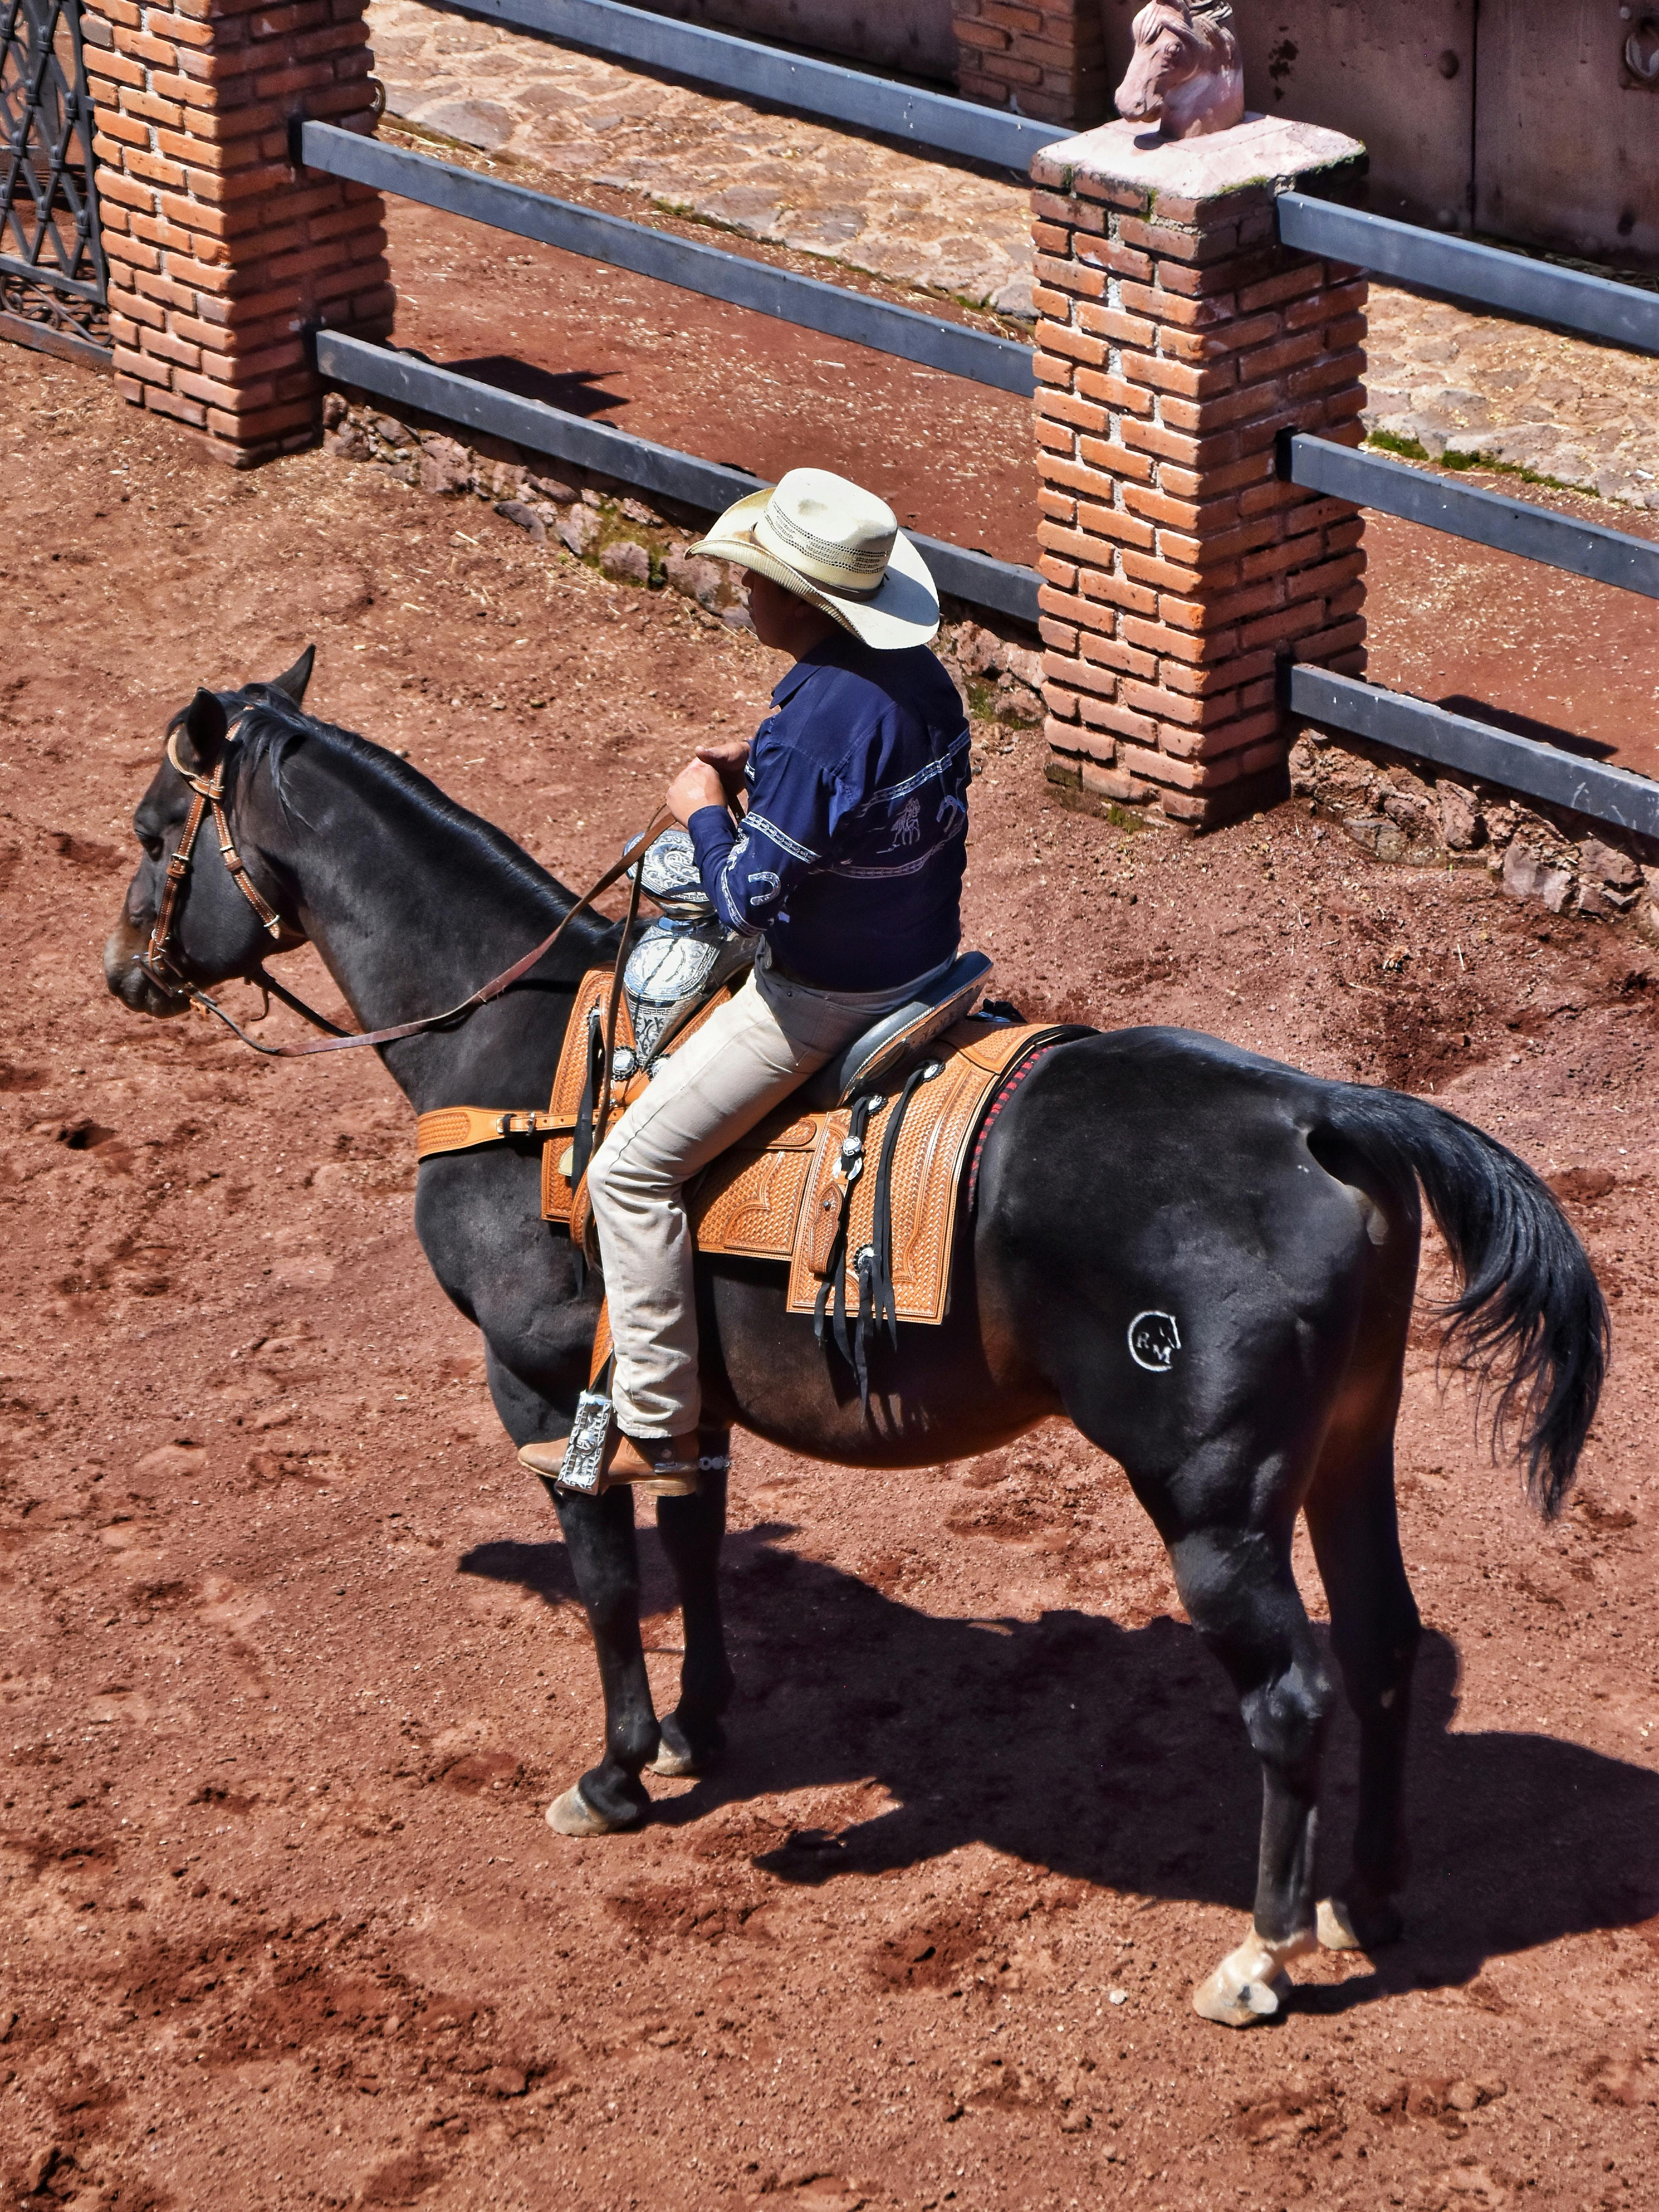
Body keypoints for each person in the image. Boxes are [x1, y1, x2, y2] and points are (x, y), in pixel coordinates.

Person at [559, 466, 971, 1489]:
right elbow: (874, 791)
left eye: (755, 578)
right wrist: (772, 765)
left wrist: (703, 800)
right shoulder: (918, 676)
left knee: (629, 1171)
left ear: (808, 602)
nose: (741, 591)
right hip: (926, 958)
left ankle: (656, 1423)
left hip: (826, 998)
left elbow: (745, 902)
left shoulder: (816, 720)